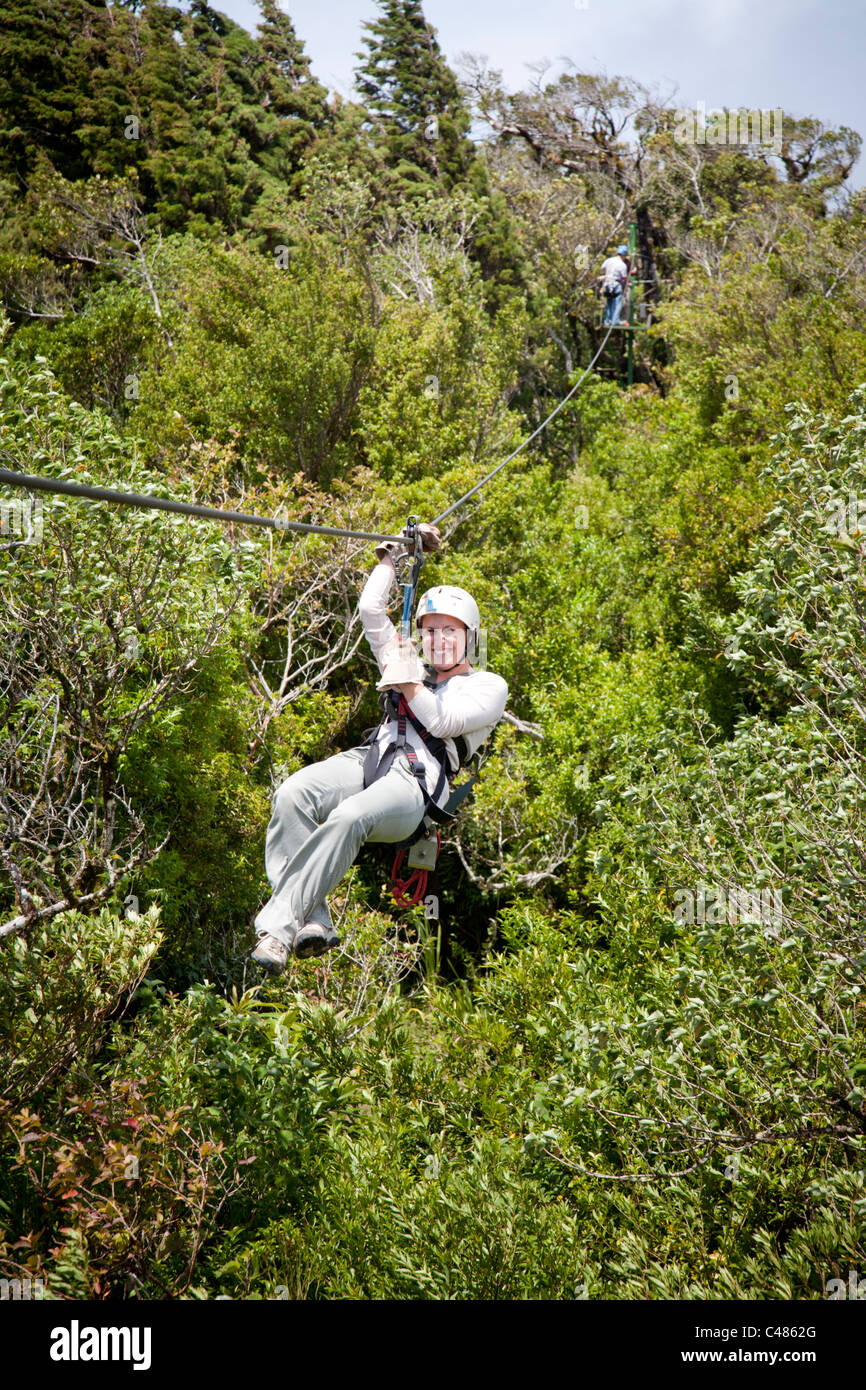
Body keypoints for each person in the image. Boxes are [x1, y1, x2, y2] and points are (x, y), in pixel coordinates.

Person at [250, 523, 509, 974]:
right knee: (294, 794)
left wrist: (406, 678)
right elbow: (371, 609)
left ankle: (278, 931)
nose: (440, 640)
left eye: (451, 631)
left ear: (470, 636)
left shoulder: (487, 685)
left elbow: (443, 721)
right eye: (430, 630)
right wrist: (392, 558)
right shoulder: (410, 658)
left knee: (351, 816)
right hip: (371, 760)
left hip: (416, 787)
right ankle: (312, 918)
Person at [599, 243, 630, 325]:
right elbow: (623, 277)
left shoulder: (609, 260)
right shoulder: (622, 265)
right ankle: (615, 320)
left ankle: (607, 320)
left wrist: (607, 274)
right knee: (617, 302)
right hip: (616, 284)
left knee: (609, 302)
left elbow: (602, 268)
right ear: (624, 255)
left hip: (607, 284)